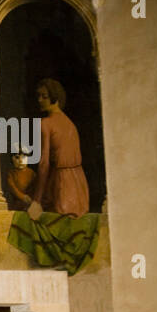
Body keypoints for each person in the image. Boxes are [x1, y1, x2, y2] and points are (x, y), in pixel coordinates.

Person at [28, 78, 89, 218]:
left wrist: (36, 201)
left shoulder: (46, 123)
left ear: (55, 98)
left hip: (62, 188)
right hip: (80, 189)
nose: (39, 100)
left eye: (44, 96)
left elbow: (44, 164)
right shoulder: (70, 124)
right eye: (38, 96)